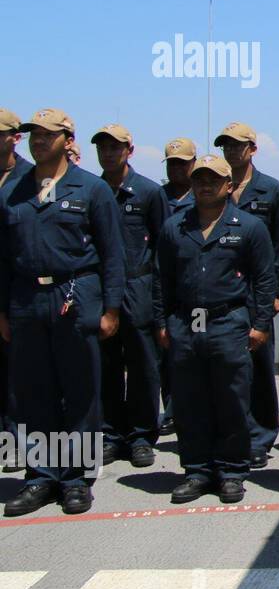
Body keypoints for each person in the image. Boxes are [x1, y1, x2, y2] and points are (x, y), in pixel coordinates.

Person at [0, 109, 125, 517]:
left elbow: (112, 253)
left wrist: (110, 308)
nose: (38, 141)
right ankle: (40, 475)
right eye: (33, 135)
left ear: (68, 139)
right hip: (26, 299)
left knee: (79, 390)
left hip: (75, 294)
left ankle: (75, 479)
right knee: (33, 391)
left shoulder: (91, 189)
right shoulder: (13, 190)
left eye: (47, 135)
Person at [154, 155, 276, 504]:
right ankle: (196, 469)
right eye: (199, 180)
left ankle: (232, 470)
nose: (205, 186)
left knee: (232, 400)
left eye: (212, 180)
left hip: (228, 322)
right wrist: (162, 323)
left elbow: (264, 280)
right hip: (185, 325)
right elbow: (161, 281)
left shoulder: (249, 227)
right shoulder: (174, 227)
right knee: (190, 402)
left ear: (227, 185)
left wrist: (261, 325)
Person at [215, 122, 279, 469]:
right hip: (222, 291)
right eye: (226, 146)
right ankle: (230, 434)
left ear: (252, 149)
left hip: (257, 291)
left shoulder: (270, 190)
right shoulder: (214, 187)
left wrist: (275, 291)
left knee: (258, 367)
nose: (232, 152)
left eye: (238, 146)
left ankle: (260, 437)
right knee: (226, 369)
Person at [92, 124, 164, 468]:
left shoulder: (148, 192)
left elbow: (163, 246)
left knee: (142, 366)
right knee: (106, 364)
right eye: (103, 148)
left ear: (129, 151)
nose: (109, 154)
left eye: (115, 147)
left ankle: (140, 436)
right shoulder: (90, 191)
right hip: (101, 289)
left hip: (139, 288)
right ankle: (110, 434)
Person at [157, 137, 197, 435]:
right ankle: (170, 409)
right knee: (166, 354)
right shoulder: (157, 197)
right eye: (172, 163)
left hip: (198, 285)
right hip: (164, 282)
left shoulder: (206, 196)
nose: (176, 169)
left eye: (182, 163)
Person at [0, 108, 32, 455]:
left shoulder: (28, 179)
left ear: (14, 137)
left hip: (17, 287)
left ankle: (17, 442)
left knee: (19, 373)